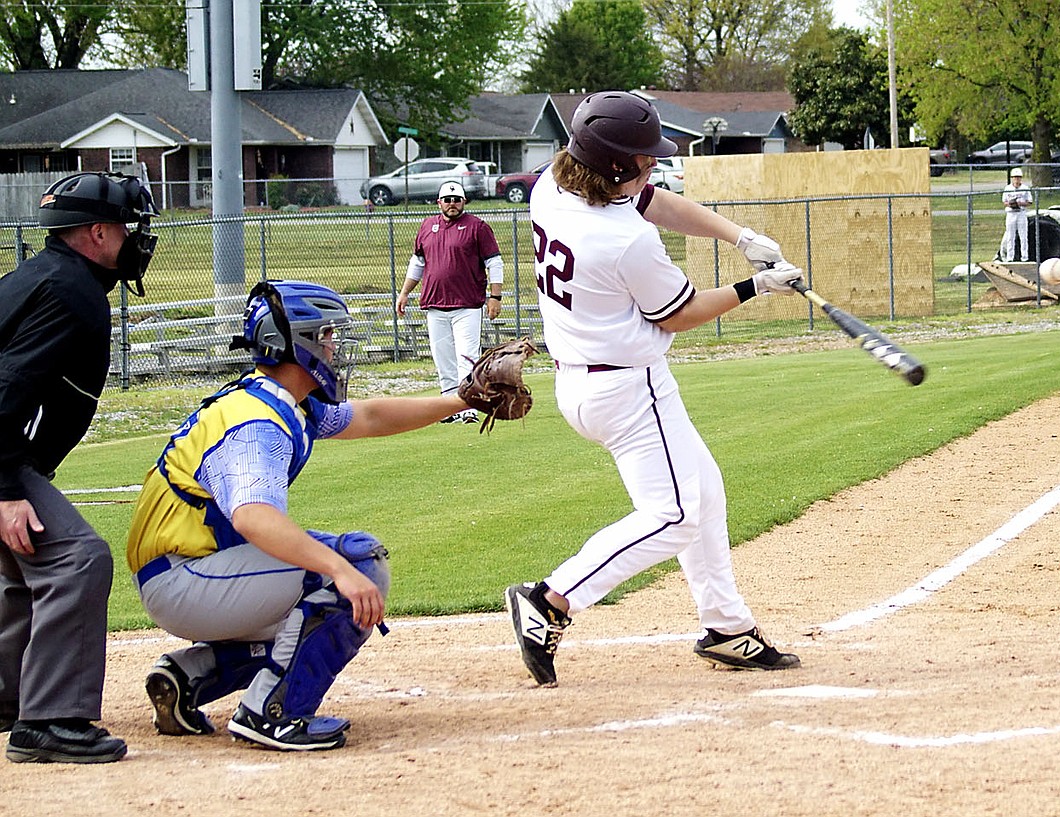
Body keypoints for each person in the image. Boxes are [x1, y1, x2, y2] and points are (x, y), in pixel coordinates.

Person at [504, 90, 804, 687]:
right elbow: (678, 314)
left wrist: (739, 236)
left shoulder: (552, 186)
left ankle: (726, 627)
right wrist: (754, 288)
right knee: (675, 516)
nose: (653, 165)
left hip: (586, 381)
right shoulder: (623, 240)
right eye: (644, 159)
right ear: (616, 166)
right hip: (628, 391)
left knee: (704, 491)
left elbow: (655, 200)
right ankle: (551, 599)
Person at [126, 280, 473, 751]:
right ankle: (271, 713)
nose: (334, 347)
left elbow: (370, 417)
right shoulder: (256, 423)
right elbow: (253, 517)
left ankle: (191, 675)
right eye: (326, 335)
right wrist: (340, 571)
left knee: (317, 602)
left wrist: (463, 400)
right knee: (355, 565)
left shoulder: (277, 400)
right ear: (297, 343)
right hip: (185, 579)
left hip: (189, 573)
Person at [0, 172, 160, 763]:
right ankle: (49, 720)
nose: (136, 238)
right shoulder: (71, 292)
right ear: (96, 232)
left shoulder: (41, 275)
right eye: (126, 226)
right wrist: (6, 489)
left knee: (21, 565)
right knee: (77, 559)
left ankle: (10, 698)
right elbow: (7, 385)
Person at [396, 180, 504, 424]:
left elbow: (494, 263)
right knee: (443, 358)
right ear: (439, 202)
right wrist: (404, 293)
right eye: (447, 200)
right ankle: (448, 407)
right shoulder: (427, 226)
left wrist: (495, 297)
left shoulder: (477, 227)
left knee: (467, 356)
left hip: (467, 304)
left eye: (456, 200)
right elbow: (418, 262)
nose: (452, 204)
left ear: (464, 201)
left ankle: (468, 406)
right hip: (435, 304)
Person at [1001, 167, 1033, 262]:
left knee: (1023, 236)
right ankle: (1010, 257)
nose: (1016, 179)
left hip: (1021, 213)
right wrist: (1011, 204)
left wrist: (1020, 203)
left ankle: (1024, 257)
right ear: (1012, 178)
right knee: (1010, 236)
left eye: (1018, 177)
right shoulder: (1008, 188)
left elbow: (1030, 202)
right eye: (1015, 177)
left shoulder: (1025, 188)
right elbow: (1004, 201)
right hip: (1011, 214)